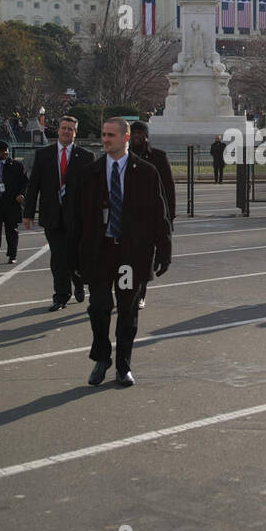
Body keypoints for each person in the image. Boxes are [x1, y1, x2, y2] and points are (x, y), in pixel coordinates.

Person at [72, 117, 172, 387]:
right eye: (103, 135)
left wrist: (164, 251)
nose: (105, 140)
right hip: (100, 252)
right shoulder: (90, 173)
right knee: (100, 307)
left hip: (130, 254)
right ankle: (101, 357)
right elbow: (76, 219)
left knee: (127, 310)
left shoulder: (147, 172)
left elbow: (158, 215)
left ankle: (123, 366)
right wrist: (74, 259)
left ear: (126, 138)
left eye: (111, 135)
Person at [23, 115, 94, 311]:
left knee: (75, 256)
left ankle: (79, 283)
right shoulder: (44, 155)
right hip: (52, 216)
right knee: (58, 257)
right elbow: (34, 185)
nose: (66, 132)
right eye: (63, 128)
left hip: (76, 217)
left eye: (70, 129)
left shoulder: (86, 156)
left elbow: (91, 190)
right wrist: (28, 213)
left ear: (75, 132)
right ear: (58, 130)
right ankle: (61, 295)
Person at [129, 120, 176, 310]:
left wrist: (170, 215)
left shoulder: (158, 157)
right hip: (128, 216)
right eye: (134, 133)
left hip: (152, 216)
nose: (137, 136)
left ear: (147, 135)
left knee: (146, 257)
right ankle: (128, 291)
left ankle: (141, 293)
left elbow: (169, 187)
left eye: (141, 133)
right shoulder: (125, 156)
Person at [0, 140, 28, 268]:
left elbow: (24, 182)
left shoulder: (16, 166)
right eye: (2, 150)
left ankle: (12, 255)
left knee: (12, 231)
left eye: (6, 150)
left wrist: (22, 194)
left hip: (12, 203)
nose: (6, 152)